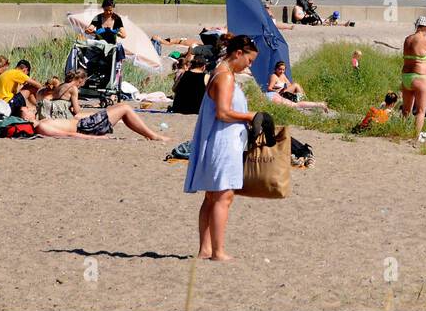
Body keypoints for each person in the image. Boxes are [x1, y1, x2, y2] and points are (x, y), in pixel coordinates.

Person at [185, 34, 259, 262]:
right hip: (223, 141)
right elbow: (223, 112)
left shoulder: (221, 72)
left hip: (220, 139)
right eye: (249, 60)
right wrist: (251, 115)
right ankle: (217, 251)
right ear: (238, 53)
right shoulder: (225, 76)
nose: (249, 65)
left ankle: (205, 249)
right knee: (223, 196)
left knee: (211, 196)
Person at [33, 101, 167, 141]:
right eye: (26, 110)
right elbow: (69, 135)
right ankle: (153, 136)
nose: (29, 109)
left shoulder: (43, 121)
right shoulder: (42, 127)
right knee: (125, 108)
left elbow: (73, 119)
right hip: (87, 127)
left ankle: (150, 134)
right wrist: (97, 138)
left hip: (86, 123)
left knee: (122, 106)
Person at [265, 60, 330, 111]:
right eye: (280, 69)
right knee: (296, 85)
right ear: (276, 69)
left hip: (283, 92)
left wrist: (286, 89)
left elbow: (289, 84)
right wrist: (277, 90)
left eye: (283, 70)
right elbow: (269, 88)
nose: (281, 71)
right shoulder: (274, 76)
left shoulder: (283, 75)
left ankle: (304, 99)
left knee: (296, 85)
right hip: (278, 94)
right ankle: (305, 100)